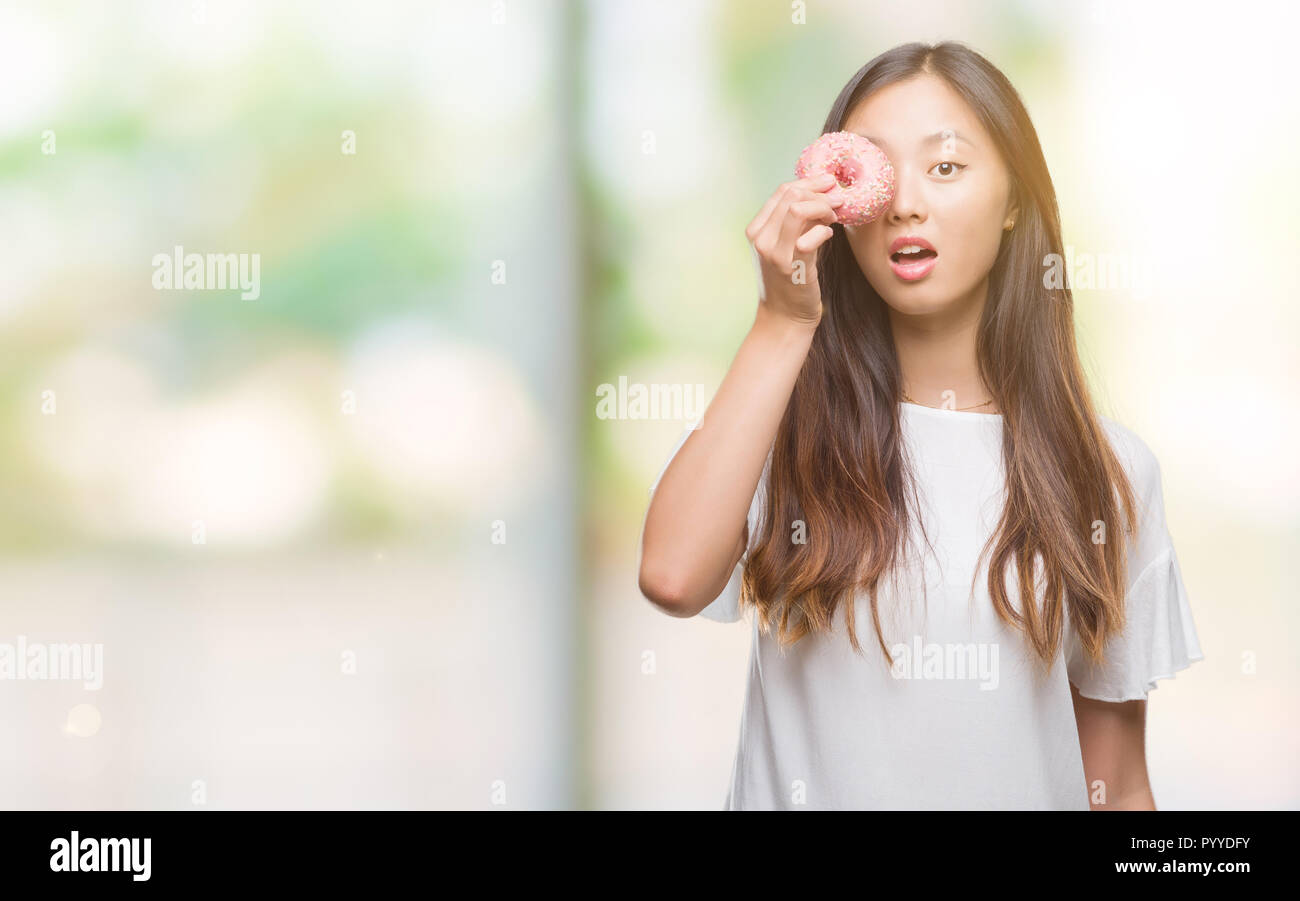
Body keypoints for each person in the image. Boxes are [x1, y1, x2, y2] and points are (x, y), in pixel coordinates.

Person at [637, 41, 1204, 811]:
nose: (905, 201)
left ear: (1013, 200)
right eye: (877, 169)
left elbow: (1117, 784)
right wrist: (778, 321)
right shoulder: (776, 427)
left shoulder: (1104, 468)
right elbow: (671, 575)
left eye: (945, 167)